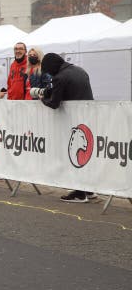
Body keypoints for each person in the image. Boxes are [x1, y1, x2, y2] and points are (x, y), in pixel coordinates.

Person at [38, 53, 96, 203]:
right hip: (89, 118)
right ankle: (89, 190)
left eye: (48, 71)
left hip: (73, 122)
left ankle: (79, 193)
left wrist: (42, 99)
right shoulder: (80, 70)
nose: (49, 74)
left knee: (74, 155)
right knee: (86, 155)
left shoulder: (60, 77)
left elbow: (54, 103)